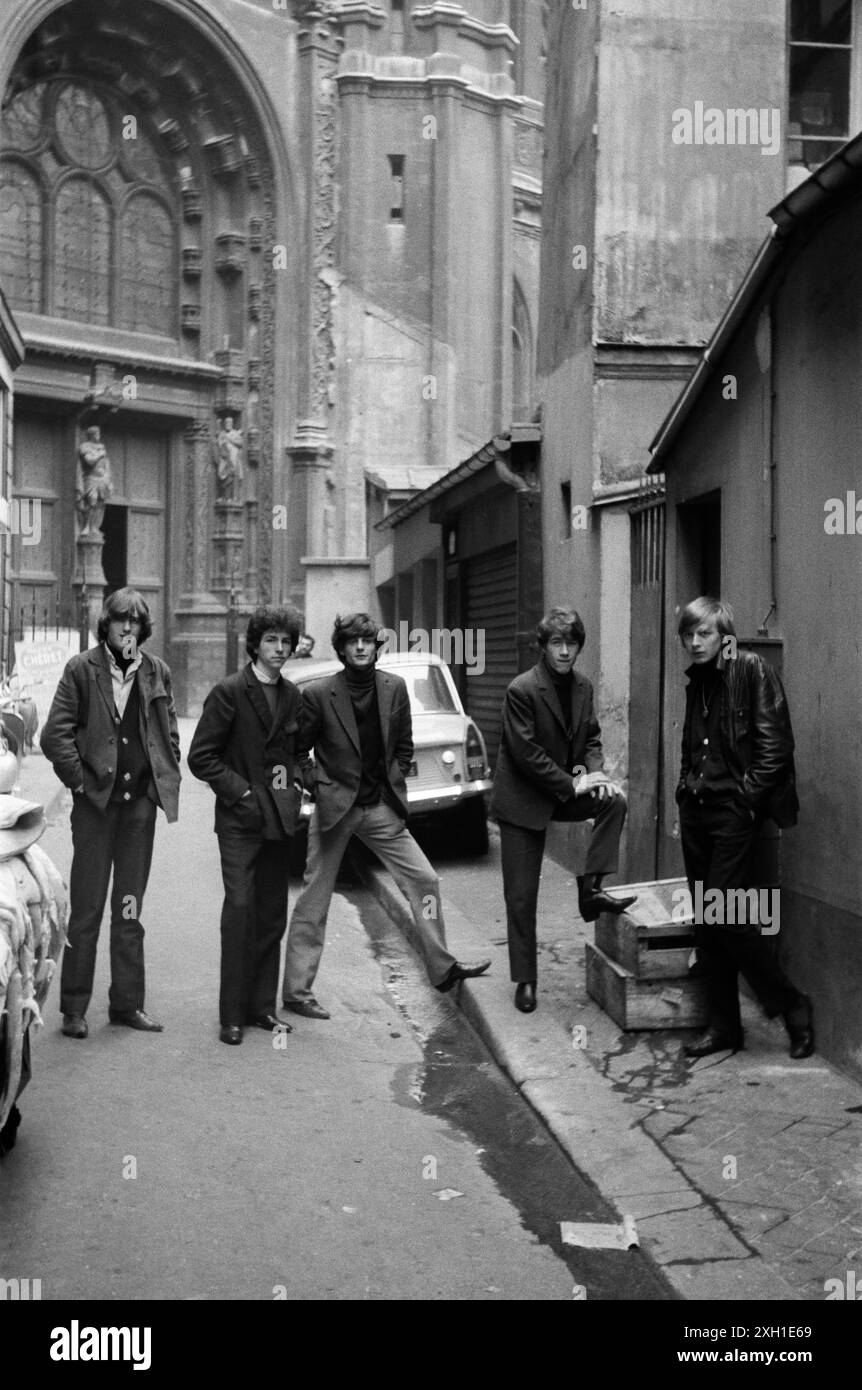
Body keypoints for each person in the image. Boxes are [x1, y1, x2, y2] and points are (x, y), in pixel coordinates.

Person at [281, 612, 490, 1018]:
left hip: (378, 807)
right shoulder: (320, 694)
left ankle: (442, 968)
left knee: (424, 879)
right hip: (335, 811)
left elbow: (405, 744)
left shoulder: (394, 688)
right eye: (352, 641)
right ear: (341, 648)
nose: (361, 647)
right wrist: (318, 785)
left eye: (368, 640)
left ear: (377, 646)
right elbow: (296, 751)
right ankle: (297, 992)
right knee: (314, 900)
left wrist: (391, 778)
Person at [675, 597, 812, 1059]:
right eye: (689, 635)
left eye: (705, 634)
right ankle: (725, 1029)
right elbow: (692, 743)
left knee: (726, 916)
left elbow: (776, 747)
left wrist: (744, 804)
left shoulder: (752, 671)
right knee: (709, 926)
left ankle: (791, 1003)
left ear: (725, 637)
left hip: (734, 814)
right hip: (696, 813)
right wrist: (683, 788)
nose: (695, 643)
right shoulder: (697, 681)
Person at [41, 588, 181, 1037]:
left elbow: (169, 732)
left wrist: (159, 778)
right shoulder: (82, 670)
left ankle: (126, 1004)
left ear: (143, 630)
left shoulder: (156, 670)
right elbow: (54, 735)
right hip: (95, 811)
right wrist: (80, 783)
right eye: (121, 622)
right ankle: (74, 1009)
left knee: (128, 909)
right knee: (86, 910)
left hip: (138, 810)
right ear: (108, 625)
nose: (128, 630)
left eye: (136, 624)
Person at [491, 607, 636, 1014]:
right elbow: (524, 754)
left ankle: (589, 890)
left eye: (571, 643)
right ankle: (525, 980)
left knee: (615, 800)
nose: (565, 651)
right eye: (557, 643)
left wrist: (597, 773)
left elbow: (590, 738)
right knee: (521, 897)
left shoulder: (584, 688)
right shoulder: (521, 689)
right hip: (524, 798)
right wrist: (573, 782)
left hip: (566, 787)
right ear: (543, 647)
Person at [188, 607, 307, 1046]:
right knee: (239, 911)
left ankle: (262, 1009)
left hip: (279, 820)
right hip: (240, 822)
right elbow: (201, 757)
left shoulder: (293, 695)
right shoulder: (230, 692)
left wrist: (298, 784)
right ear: (255, 644)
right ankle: (231, 1015)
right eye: (272, 641)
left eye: (286, 642)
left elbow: (296, 754)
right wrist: (240, 792)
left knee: (272, 914)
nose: (280, 649)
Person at [75, 425, 113, 535]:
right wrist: (100, 455)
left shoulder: (101, 447)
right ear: (91, 435)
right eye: (97, 434)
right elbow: (89, 461)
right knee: (91, 501)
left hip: (102, 480)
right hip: (91, 478)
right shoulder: (85, 447)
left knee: (100, 503)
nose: (99, 436)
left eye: (99, 434)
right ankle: (86, 526)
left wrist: (108, 480)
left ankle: (94, 527)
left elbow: (107, 464)